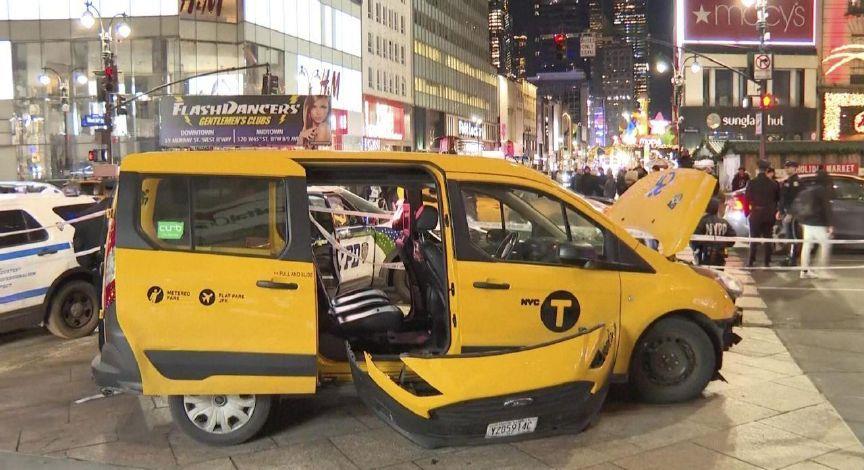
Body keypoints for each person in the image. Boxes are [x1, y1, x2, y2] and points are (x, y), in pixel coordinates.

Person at [797, 169, 834, 279]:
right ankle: (821, 270)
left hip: (806, 222)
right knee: (825, 244)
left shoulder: (810, 189)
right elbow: (826, 208)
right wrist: (830, 224)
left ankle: (804, 271)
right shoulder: (823, 190)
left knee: (807, 246)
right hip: (817, 223)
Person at [745, 160, 780, 267]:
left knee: (753, 238)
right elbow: (777, 198)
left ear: (758, 169)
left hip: (756, 212)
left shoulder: (751, 182)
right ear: (766, 170)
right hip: (769, 213)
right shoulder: (773, 184)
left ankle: (751, 261)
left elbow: (747, 198)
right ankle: (767, 261)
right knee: (768, 237)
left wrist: (748, 212)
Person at [692, 198, 736, 266]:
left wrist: (698, 247)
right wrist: (722, 244)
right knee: (718, 272)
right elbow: (732, 238)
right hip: (720, 256)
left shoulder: (702, 221)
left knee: (703, 272)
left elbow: (694, 239)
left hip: (704, 256)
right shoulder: (724, 222)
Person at [779, 161, 802, 265]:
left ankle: (792, 259)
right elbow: (783, 197)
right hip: (786, 212)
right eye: (786, 167)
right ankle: (790, 257)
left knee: (792, 236)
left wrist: (791, 213)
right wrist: (780, 210)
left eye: (789, 167)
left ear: (795, 168)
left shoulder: (797, 182)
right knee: (789, 236)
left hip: (792, 214)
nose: (787, 169)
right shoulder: (788, 181)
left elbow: (797, 200)